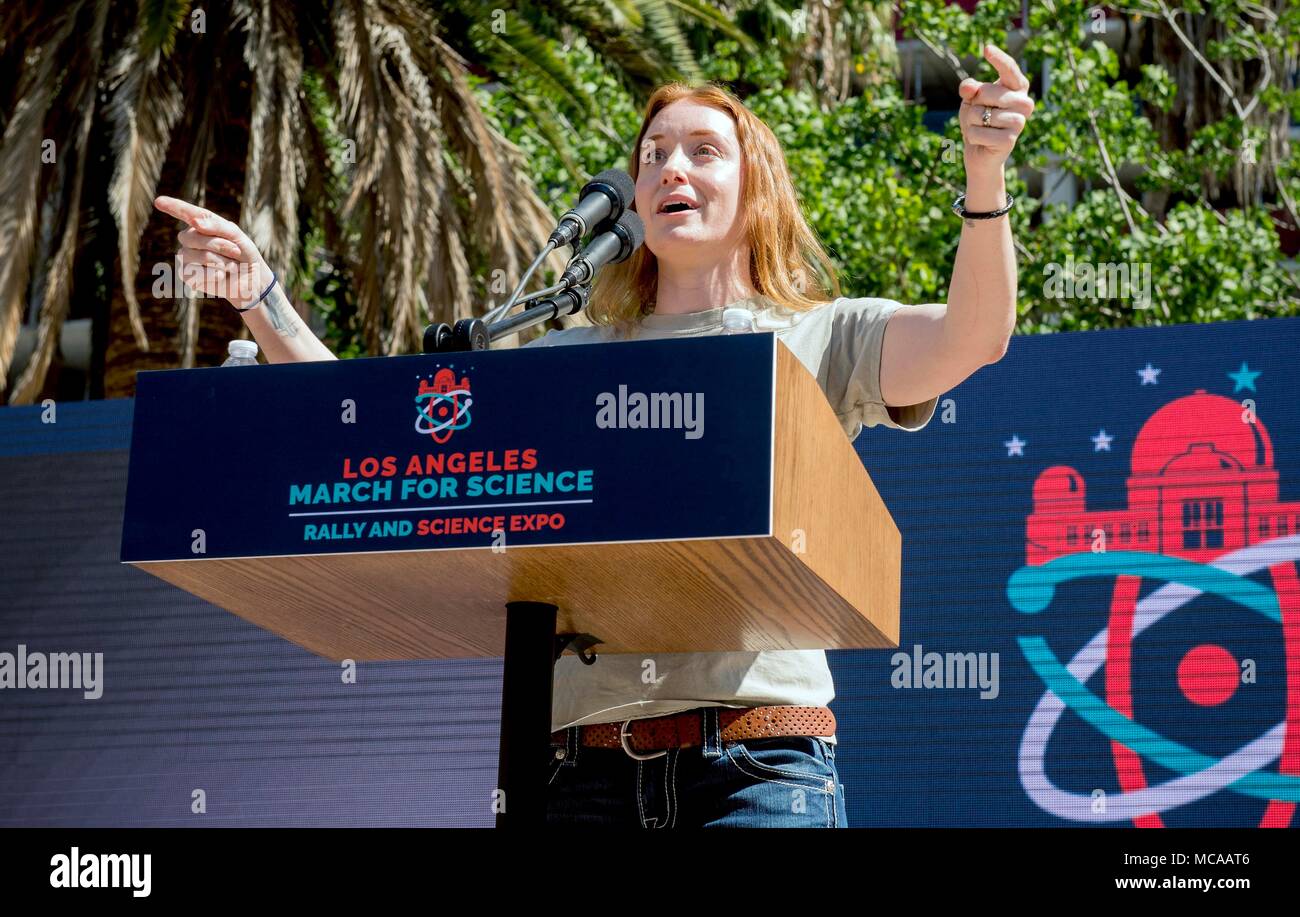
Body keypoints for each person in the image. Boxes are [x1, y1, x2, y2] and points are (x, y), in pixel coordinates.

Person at [154, 43, 1034, 828]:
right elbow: (383, 427)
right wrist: (261, 297)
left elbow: (974, 337)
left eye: (701, 150)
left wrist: (985, 170)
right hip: (577, 772)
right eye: (652, 156)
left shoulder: (818, 333)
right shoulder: (565, 356)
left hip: (757, 765)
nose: (667, 168)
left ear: (756, 186)